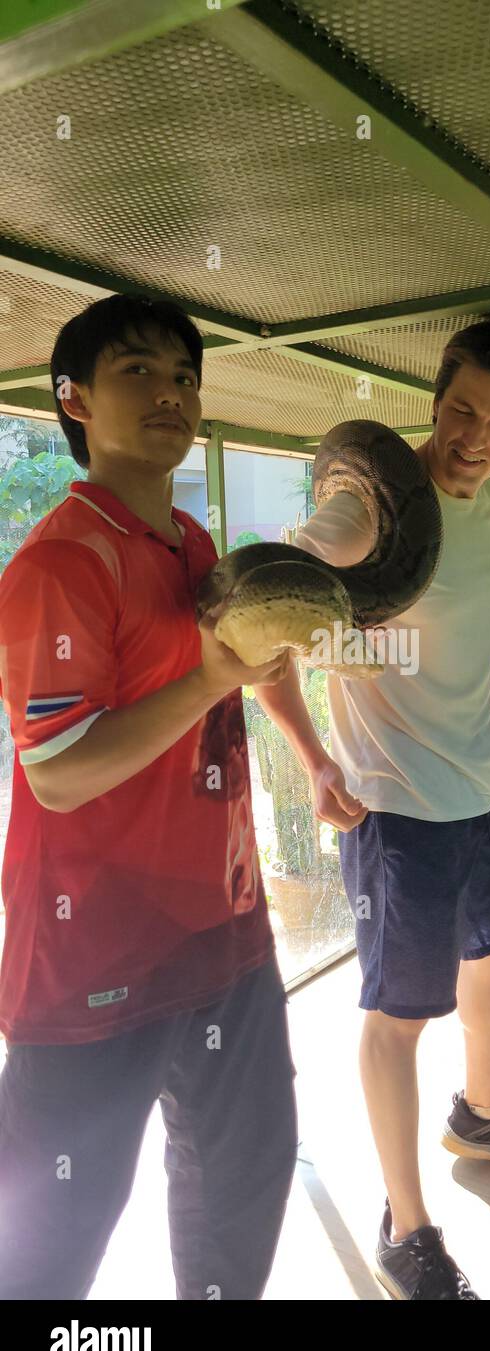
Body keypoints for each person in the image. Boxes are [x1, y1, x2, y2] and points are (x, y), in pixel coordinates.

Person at [254, 314, 490, 1301]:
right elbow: (273, 609)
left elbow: (487, 589)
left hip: (483, 789)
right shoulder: (372, 506)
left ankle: (482, 1110)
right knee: (398, 1014)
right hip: (397, 812)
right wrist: (312, 753)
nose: (472, 436)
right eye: (459, 408)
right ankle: (405, 1226)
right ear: (435, 393)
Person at [0, 294, 297, 1300]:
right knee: (52, 1235)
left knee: (240, 1185)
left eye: (183, 375)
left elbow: (217, 680)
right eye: (138, 371)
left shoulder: (193, 544)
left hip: (224, 933)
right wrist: (212, 679)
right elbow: (57, 769)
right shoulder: (61, 561)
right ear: (73, 400)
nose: (170, 392)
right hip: (96, 959)